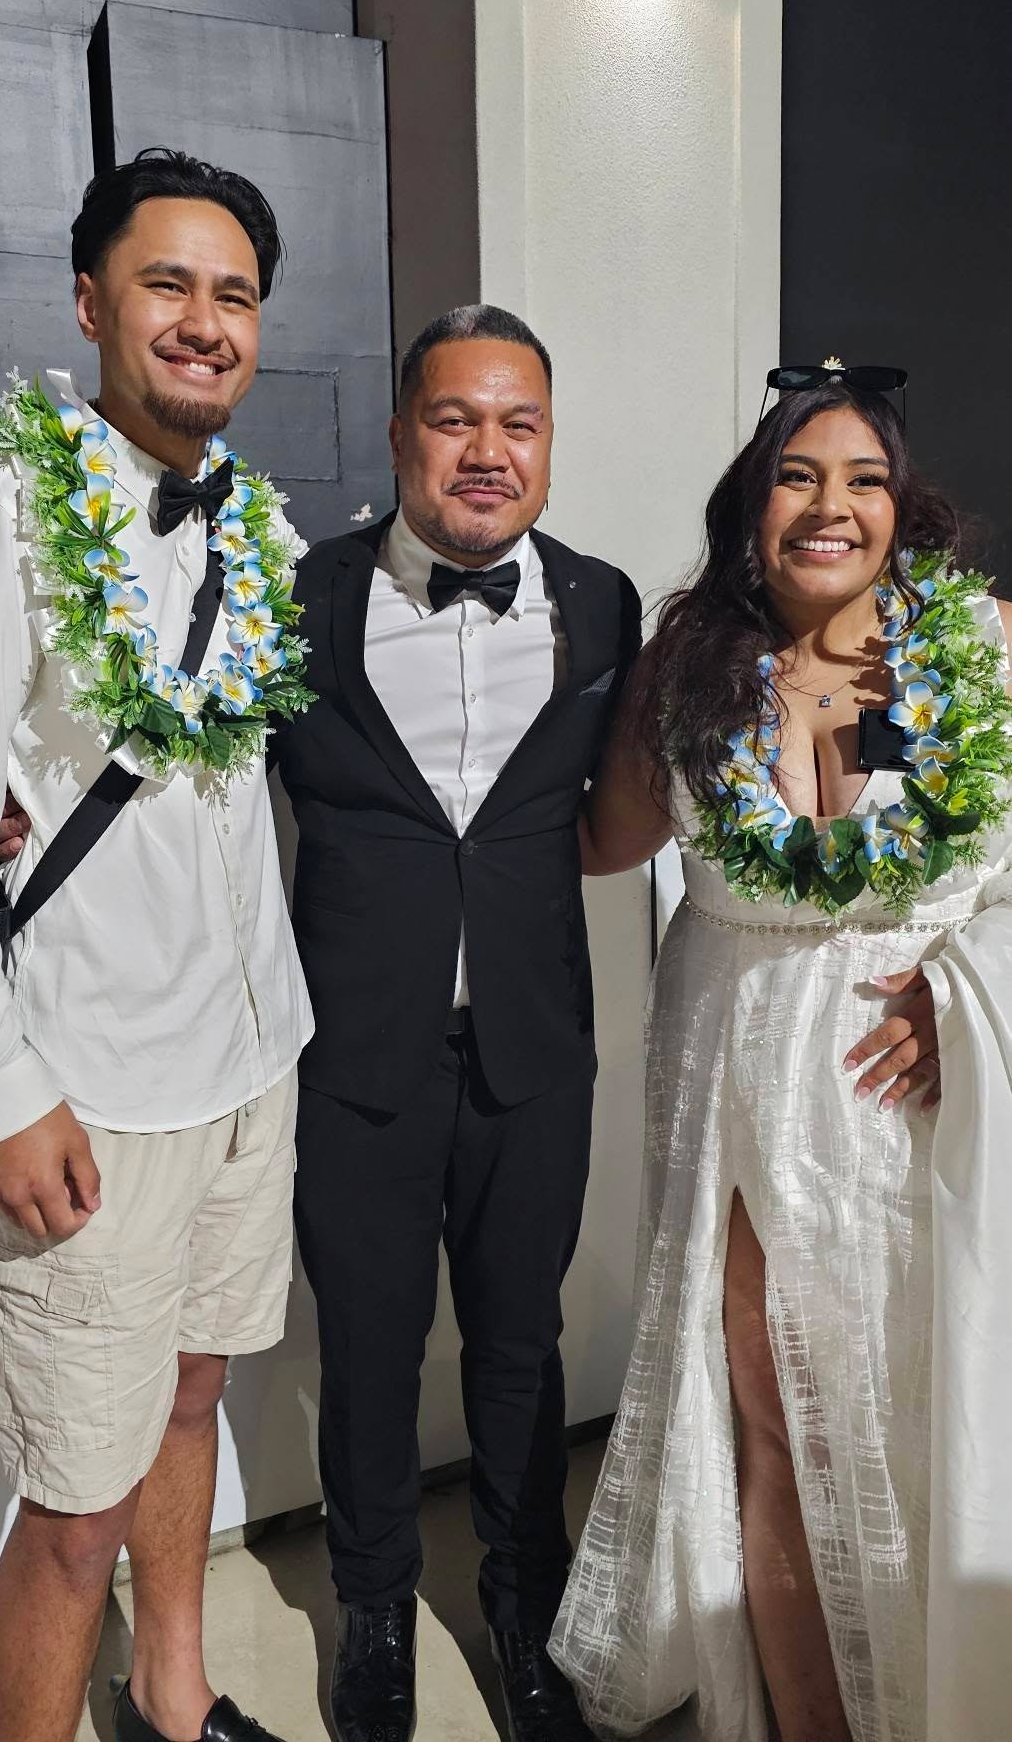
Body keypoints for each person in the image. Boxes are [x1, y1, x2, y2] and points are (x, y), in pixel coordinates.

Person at [0, 149, 315, 1742]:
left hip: (249, 1054)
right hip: (91, 1092)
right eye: (167, 284)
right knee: (71, 1504)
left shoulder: (254, 530)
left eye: (235, 294)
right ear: (89, 303)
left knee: (197, 1392)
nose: (204, 322)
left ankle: (177, 1693)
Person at [549, 374, 1012, 1742]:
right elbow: (592, 840)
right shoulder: (691, 670)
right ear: (751, 510)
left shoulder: (970, 651)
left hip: (920, 1085)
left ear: (900, 505)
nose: (830, 506)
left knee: (923, 1405)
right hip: (738, 1071)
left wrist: (969, 990)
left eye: (861, 478)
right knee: (773, 1408)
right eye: (795, 477)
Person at [276, 305, 641, 1742]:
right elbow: (190, 781)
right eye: (454, 419)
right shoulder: (293, 598)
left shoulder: (607, 605)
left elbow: (639, 797)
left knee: (517, 1342)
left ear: (546, 443)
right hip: (353, 1047)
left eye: (518, 424)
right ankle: (371, 1612)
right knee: (365, 1345)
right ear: (399, 435)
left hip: (533, 1048)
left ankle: (520, 1605)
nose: (486, 453)